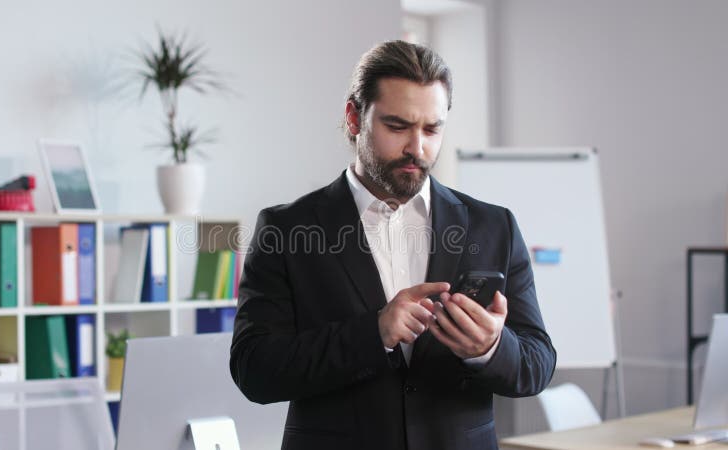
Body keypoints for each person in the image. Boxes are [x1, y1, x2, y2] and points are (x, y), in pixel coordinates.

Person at [230, 40, 556, 450]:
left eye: (432, 129)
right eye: (397, 127)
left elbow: (537, 363)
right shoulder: (286, 228)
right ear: (354, 118)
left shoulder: (495, 226)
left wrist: (490, 347)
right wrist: (376, 333)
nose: (416, 149)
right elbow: (254, 369)